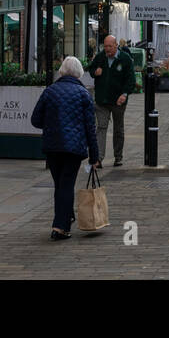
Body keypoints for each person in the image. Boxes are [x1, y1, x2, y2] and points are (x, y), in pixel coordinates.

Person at [30, 57, 101, 240]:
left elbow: (35, 120)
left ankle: (65, 217)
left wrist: (52, 125)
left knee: (60, 185)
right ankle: (60, 227)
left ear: (61, 71)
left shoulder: (50, 91)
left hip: (52, 147)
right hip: (73, 148)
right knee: (66, 185)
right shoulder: (83, 94)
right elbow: (90, 129)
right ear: (78, 73)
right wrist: (95, 156)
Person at [86, 35, 135, 167]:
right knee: (101, 128)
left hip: (118, 101)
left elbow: (131, 80)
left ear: (116, 46)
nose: (107, 49)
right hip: (102, 100)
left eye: (109, 46)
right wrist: (95, 72)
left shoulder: (125, 59)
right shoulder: (101, 57)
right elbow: (91, 68)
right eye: (105, 46)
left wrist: (124, 94)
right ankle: (98, 158)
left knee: (118, 129)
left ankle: (118, 157)